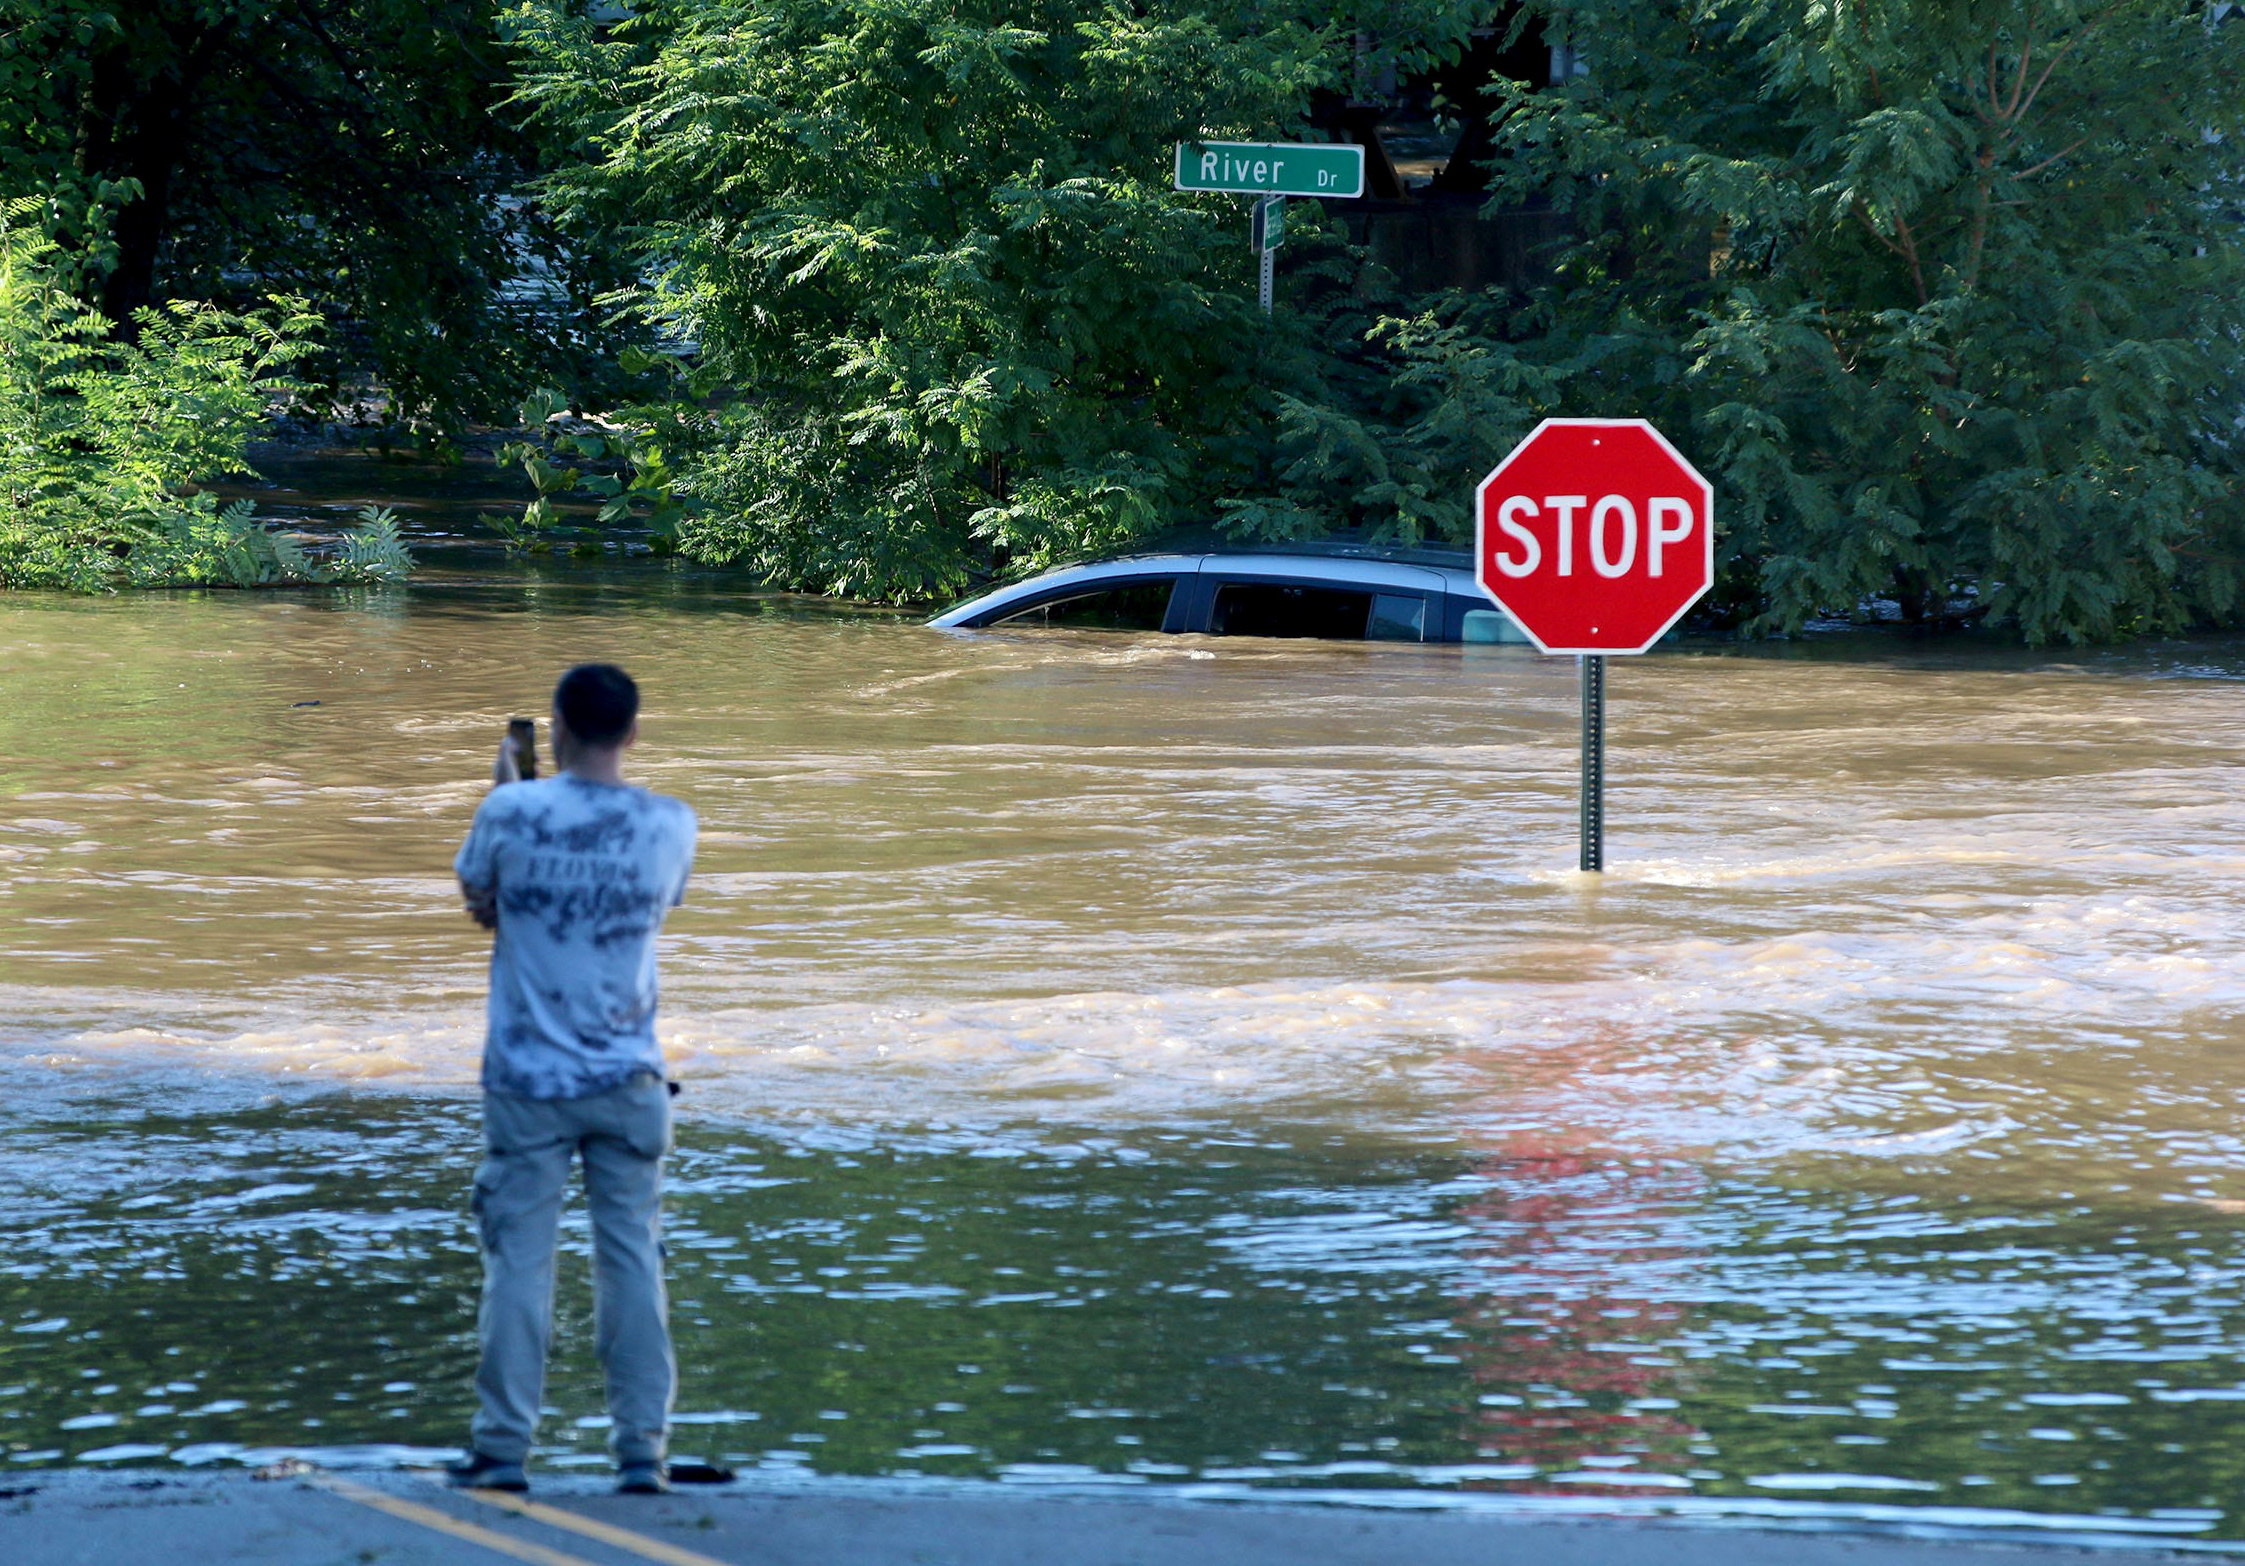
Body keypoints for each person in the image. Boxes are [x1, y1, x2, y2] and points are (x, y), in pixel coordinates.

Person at [446, 663, 698, 1495]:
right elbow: (648, 911)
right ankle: (640, 1455)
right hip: (629, 1075)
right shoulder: (670, 825)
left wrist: (504, 788)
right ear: (632, 732)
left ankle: (502, 1451)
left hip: (526, 1081)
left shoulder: (509, 809)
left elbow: (484, 907)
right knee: (632, 1263)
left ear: (555, 725)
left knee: (518, 1263)